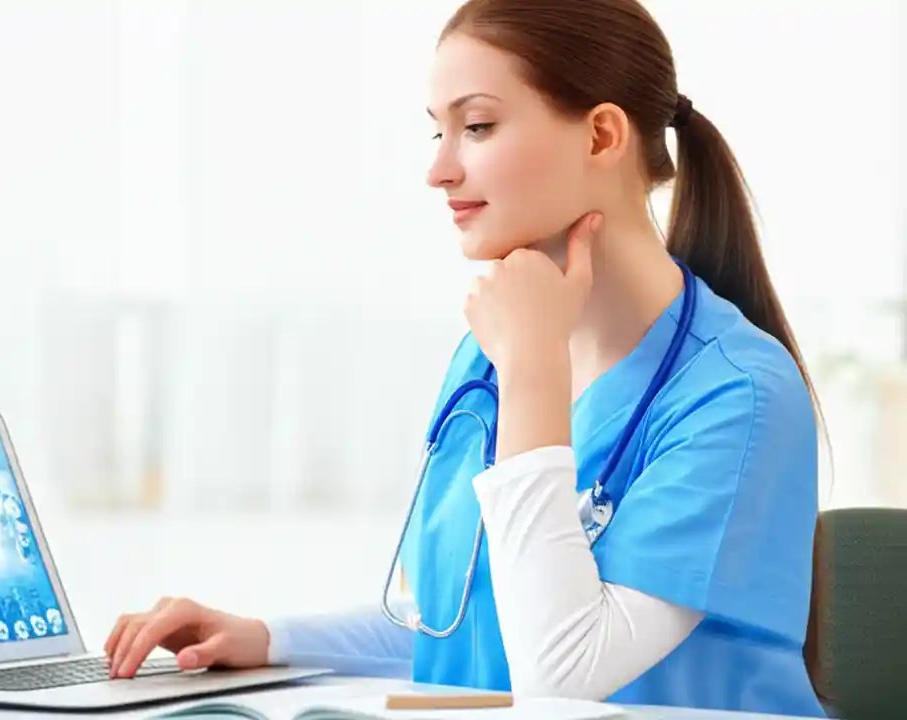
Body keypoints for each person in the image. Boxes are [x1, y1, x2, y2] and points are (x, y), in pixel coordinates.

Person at [104, 0, 825, 716]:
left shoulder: (737, 394)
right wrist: (269, 637)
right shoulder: (492, 355)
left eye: (477, 126)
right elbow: (464, 619)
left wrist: (534, 370)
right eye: (437, 132)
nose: (440, 171)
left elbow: (561, 671)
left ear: (603, 135)